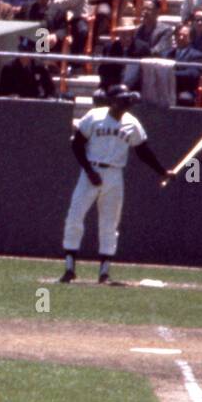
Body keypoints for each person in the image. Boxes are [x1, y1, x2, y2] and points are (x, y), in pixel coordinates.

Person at [59, 86, 173, 285]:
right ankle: (70, 268)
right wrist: (89, 171)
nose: (126, 106)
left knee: (109, 223)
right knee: (75, 216)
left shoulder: (131, 123)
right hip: (91, 171)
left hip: (114, 174)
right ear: (112, 101)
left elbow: (143, 151)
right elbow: (77, 145)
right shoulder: (94, 116)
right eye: (123, 101)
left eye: (128, 102)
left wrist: (162, 171)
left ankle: (104, 272)